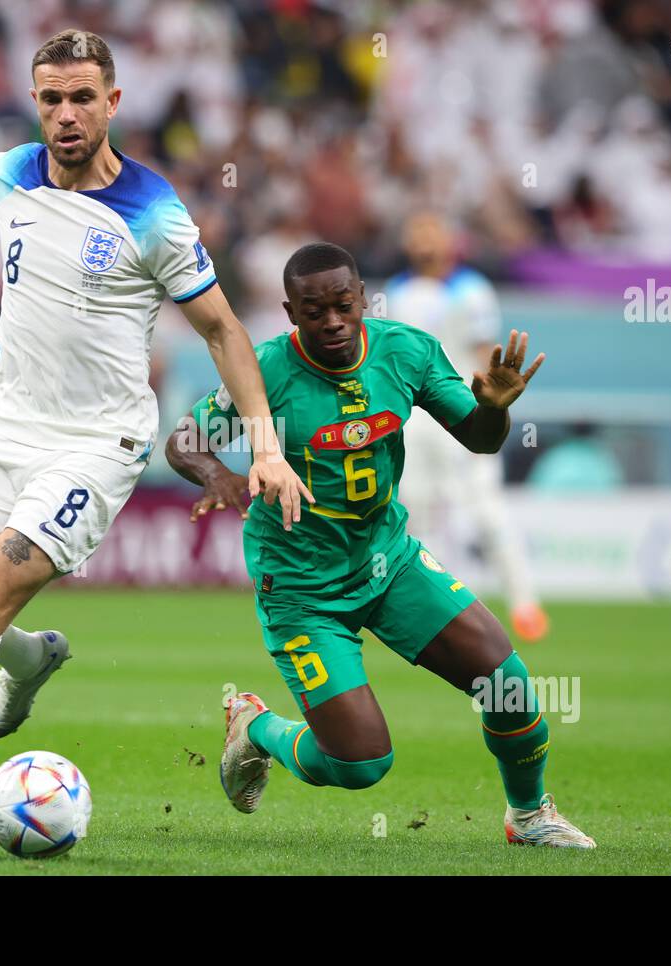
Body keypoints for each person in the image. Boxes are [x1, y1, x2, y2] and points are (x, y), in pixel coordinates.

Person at [0, 29, 311, 844]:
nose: (66, 114)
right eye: (51, 98)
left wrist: (268, 445)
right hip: (3, 428)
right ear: (34, 101)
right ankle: (28, 657)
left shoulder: (155, 212)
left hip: (95, 444)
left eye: (82, 98)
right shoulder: (11, 172)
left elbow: (221, 331)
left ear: (112, 103)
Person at [166, 242, 595, 848]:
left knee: (508, 683)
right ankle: (257, 728)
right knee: (361, 763)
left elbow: (479, 438)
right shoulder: (264, 372)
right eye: (315, 312)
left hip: (387, 560)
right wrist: (222, 476)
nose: (333, 322)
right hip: (301, 587)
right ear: (291, 313)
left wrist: (495, 410)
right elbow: (183, 442)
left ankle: (528, 816)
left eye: (344, 305)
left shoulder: (406, 351)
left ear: (363, 298)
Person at [386, 213, 549, 642]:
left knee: (485, 509)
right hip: (416, 419)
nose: (422, 240)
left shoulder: (471, 290)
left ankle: (524, 604)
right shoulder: (398, 291)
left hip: (461, 412)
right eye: (416, 231)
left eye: (431, 231)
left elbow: (485, 357)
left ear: (450, 241)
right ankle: (428, 608)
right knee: (416, 512)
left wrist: (488, 407)